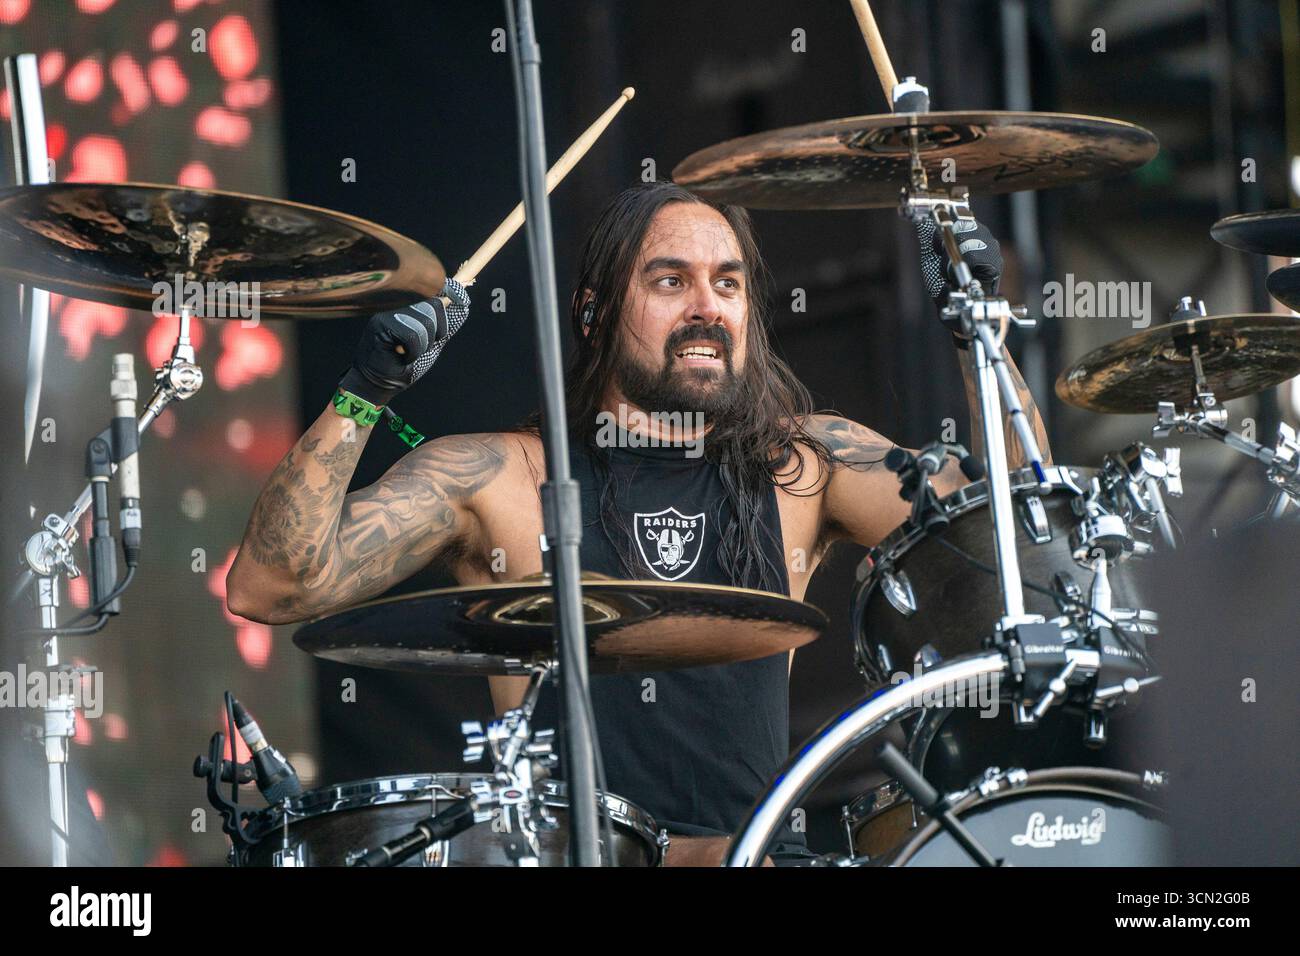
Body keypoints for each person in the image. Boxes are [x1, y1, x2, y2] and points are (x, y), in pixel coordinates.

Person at [225, 180, 1051, 866]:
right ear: (592, 315)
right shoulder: (499, 476)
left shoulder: (805, 466)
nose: (706, 307)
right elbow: (271, 587)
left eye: (727, 283)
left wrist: (976, 330)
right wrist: (366, 390)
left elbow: (1017, 540)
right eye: (670, 281)